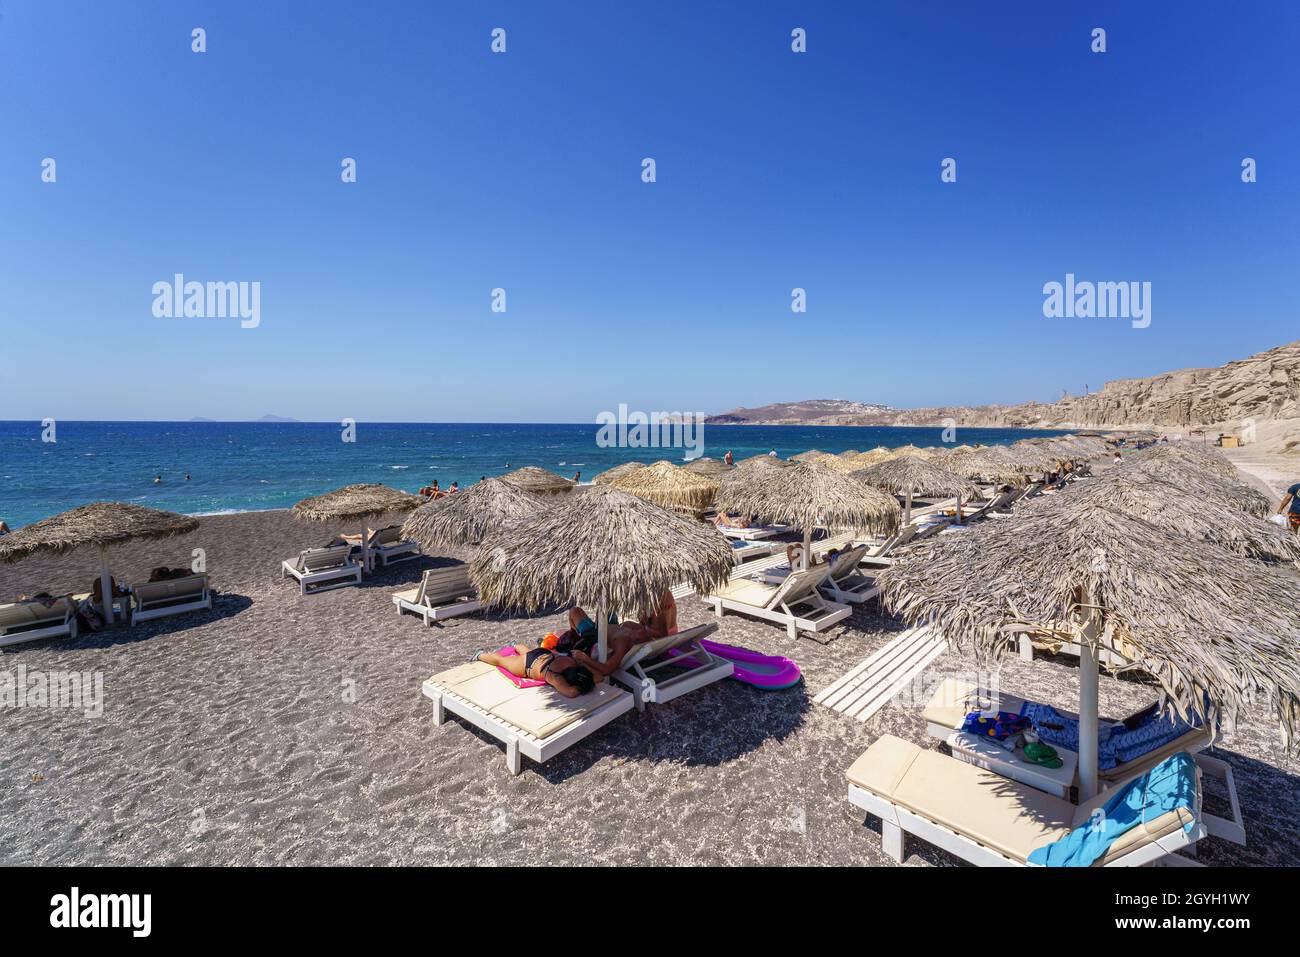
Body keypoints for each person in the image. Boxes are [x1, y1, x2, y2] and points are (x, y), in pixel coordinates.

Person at [472, 645, 595, 699]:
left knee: (527, 651)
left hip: (542, 653)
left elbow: (597, 677)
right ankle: (479, 655)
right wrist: (583, 687)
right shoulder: (556, 677)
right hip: (526, 665)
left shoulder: (572, 661)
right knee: (500, 660)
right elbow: (571, 692)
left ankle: (515, 645)